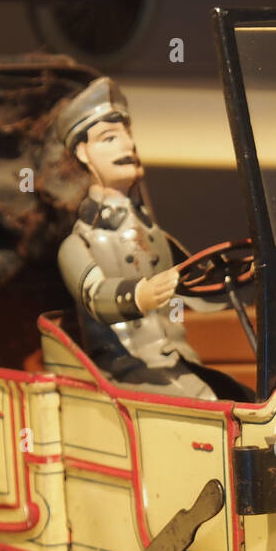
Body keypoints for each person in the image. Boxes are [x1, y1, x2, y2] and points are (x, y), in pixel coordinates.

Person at [54, 77, 217, 398]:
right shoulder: (77, 244)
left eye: (128, 134)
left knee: (235, 393)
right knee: (208, 402)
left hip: (178, 361)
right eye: (109, 138)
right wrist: (139, 295)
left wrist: (238, 279)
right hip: (121, 371)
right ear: (83, 153)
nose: (128, 146)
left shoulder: (153, 233)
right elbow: (96, 296)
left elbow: (195, 287)